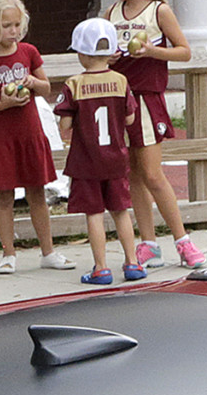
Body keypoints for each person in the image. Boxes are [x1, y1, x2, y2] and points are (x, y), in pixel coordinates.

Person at [103, 0, 206, 270]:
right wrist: (105, 58)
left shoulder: (159, 11)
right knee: (131, 172)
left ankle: (183, 240)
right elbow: (103, 53)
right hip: (119, 98)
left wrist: (151, 52)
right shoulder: (110, 14)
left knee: (152, 172)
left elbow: (184, 51)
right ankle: (149, 244)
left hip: (146, 98)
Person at [0, 0, 73, 274]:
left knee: (37, 192)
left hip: (30, 133)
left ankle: (48, 251)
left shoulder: (29, 52)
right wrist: (2, 103)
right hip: (1, 138)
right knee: (4, 196)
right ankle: (8, 254)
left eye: (17, 25)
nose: (14, 31)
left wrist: (32, 82)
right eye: (7, 26)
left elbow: (47, 87)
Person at [54, 18, 147, 285]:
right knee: (121, 211)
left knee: (94, 214)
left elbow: (66, 124)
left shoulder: (74, 84)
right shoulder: (121, 81)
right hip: (116, 159)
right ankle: (132, 262)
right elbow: (130, 119)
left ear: (82, 53)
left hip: (86, 162)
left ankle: (101, 268)